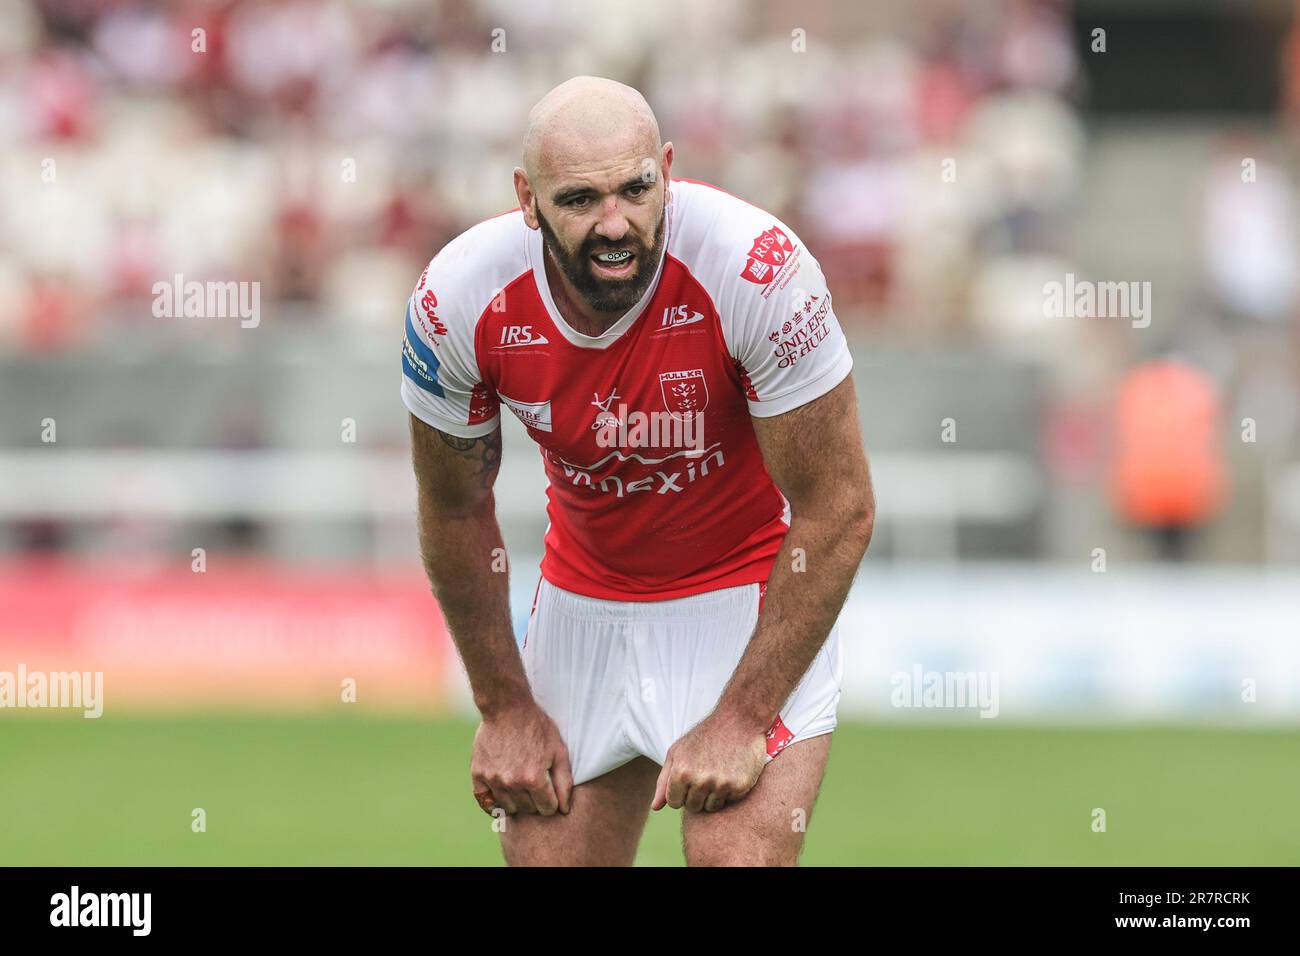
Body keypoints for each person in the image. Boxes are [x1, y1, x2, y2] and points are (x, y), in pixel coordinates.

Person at [402, 76, 874, 866]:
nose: (614, 222)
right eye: (580, 199)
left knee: (736, 861)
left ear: (668, 169)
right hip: (583, 601)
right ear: (527, 198)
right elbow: (453, 510)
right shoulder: (458, 299)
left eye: (635, 188)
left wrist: (741, 718)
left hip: (746, 598)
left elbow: (839, 509)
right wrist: (503, 706)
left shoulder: (758, 272)